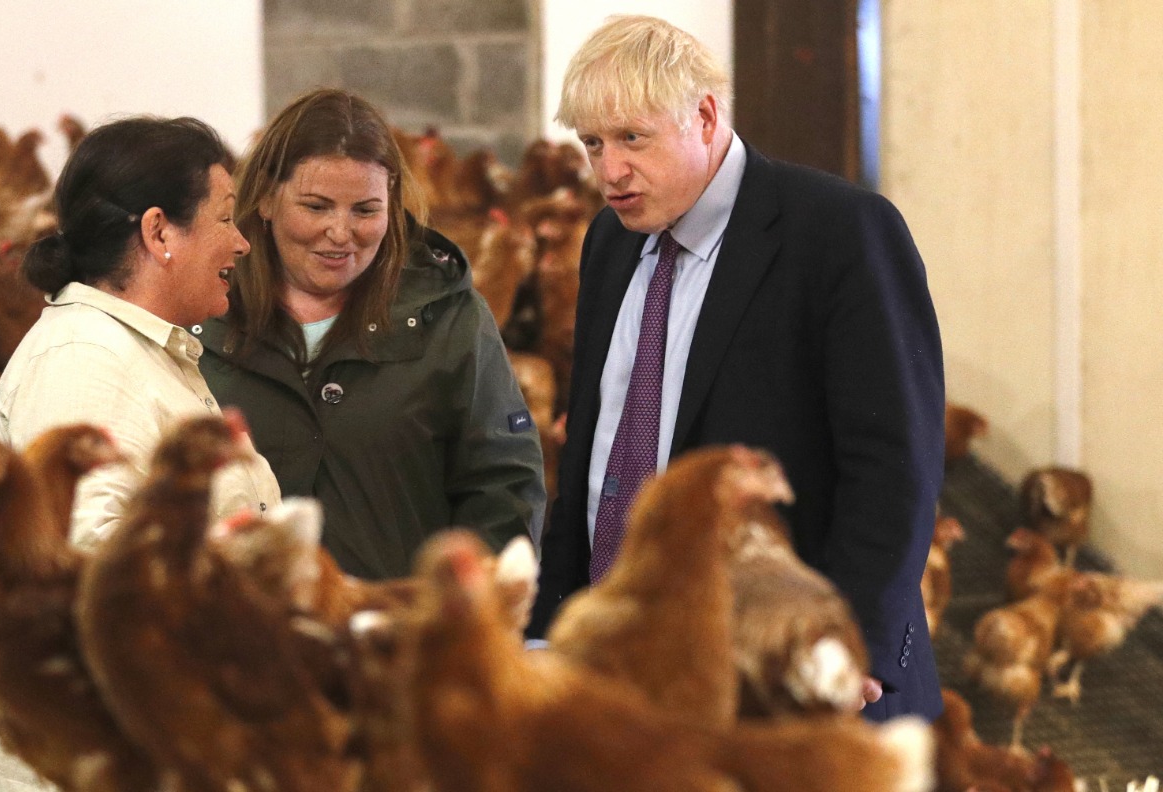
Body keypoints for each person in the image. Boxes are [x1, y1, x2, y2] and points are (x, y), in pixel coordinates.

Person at [527, 15, 946, 722]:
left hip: (776, 661)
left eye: (632, 138)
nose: (609, 171)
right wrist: (552, 625)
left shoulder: (838, 233)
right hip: (626, 657)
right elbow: (595, 454)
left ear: (704, 117)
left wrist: (848, 646)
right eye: (593, 144)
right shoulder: (609, 241)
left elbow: (895, 462)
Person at [0, 116, 281, 791]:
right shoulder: (85, 360)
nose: (242, 241)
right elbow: (93, 582)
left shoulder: (130, 353)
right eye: (226, 217)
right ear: (159, 232)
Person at [196, 88, 545, 580]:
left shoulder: (447, 317)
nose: (341, 233)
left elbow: (504, 485)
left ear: (391, 204)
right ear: (268, 198)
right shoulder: (205, 313)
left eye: (365, 210)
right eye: (316, 207)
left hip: (398, 622)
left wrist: (463, 603)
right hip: (244, 622)